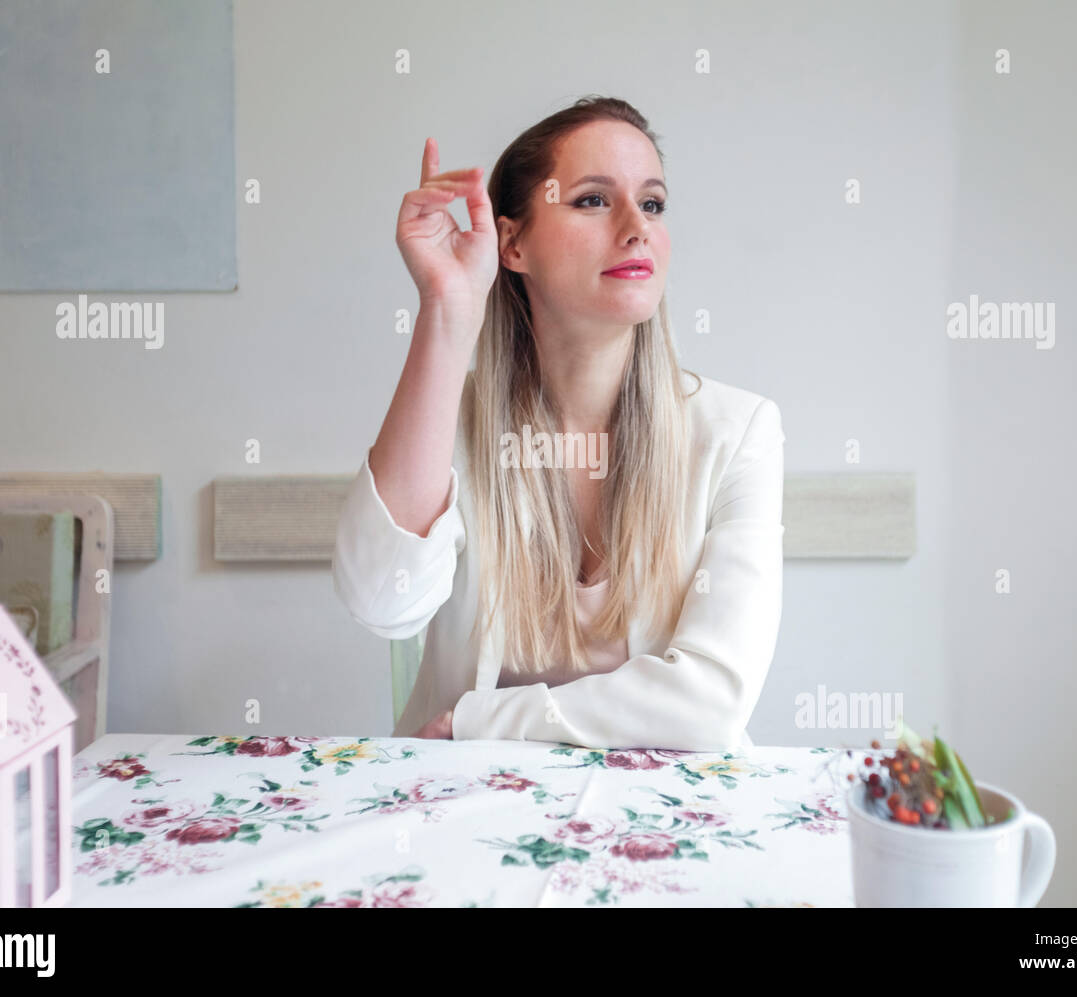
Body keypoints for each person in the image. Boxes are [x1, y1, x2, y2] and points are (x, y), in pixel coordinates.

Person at [333, 96, 784, 751]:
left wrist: (480, 721)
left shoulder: (739, 432)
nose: (637, 227)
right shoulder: (451, 421)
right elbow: (381, 602)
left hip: (662, 805)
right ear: (513, 244)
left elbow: (711, 701)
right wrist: (446, 309)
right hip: (461, 798)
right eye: (593, 200)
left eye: (652, 203)